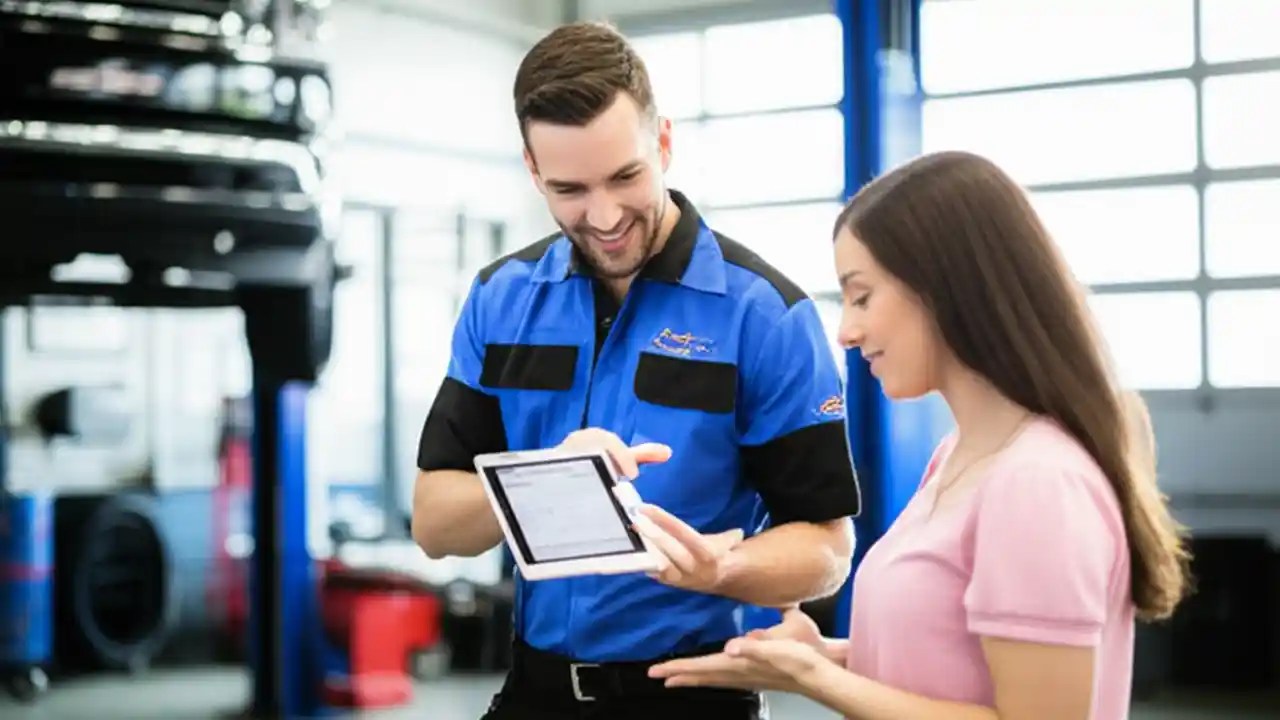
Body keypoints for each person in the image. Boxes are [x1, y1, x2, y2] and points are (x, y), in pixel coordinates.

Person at [411, 20, 862, 720]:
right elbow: (436, 525)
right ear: (532, 171)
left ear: (665, 143)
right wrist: (549, 479)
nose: (605, 215)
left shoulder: (764, 316)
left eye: (626, 176)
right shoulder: (500, 300)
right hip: (536, 691)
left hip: (691, 697)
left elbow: (829, 548)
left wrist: (724, 570)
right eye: (569, 189)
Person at [649, 150, 1193, 720]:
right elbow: (952, 663)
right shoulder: (957, 457)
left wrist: (814, 679)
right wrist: (825, 657)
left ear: (946, 288)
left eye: (862, 296)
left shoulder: (1037, 482)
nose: (848, 331)